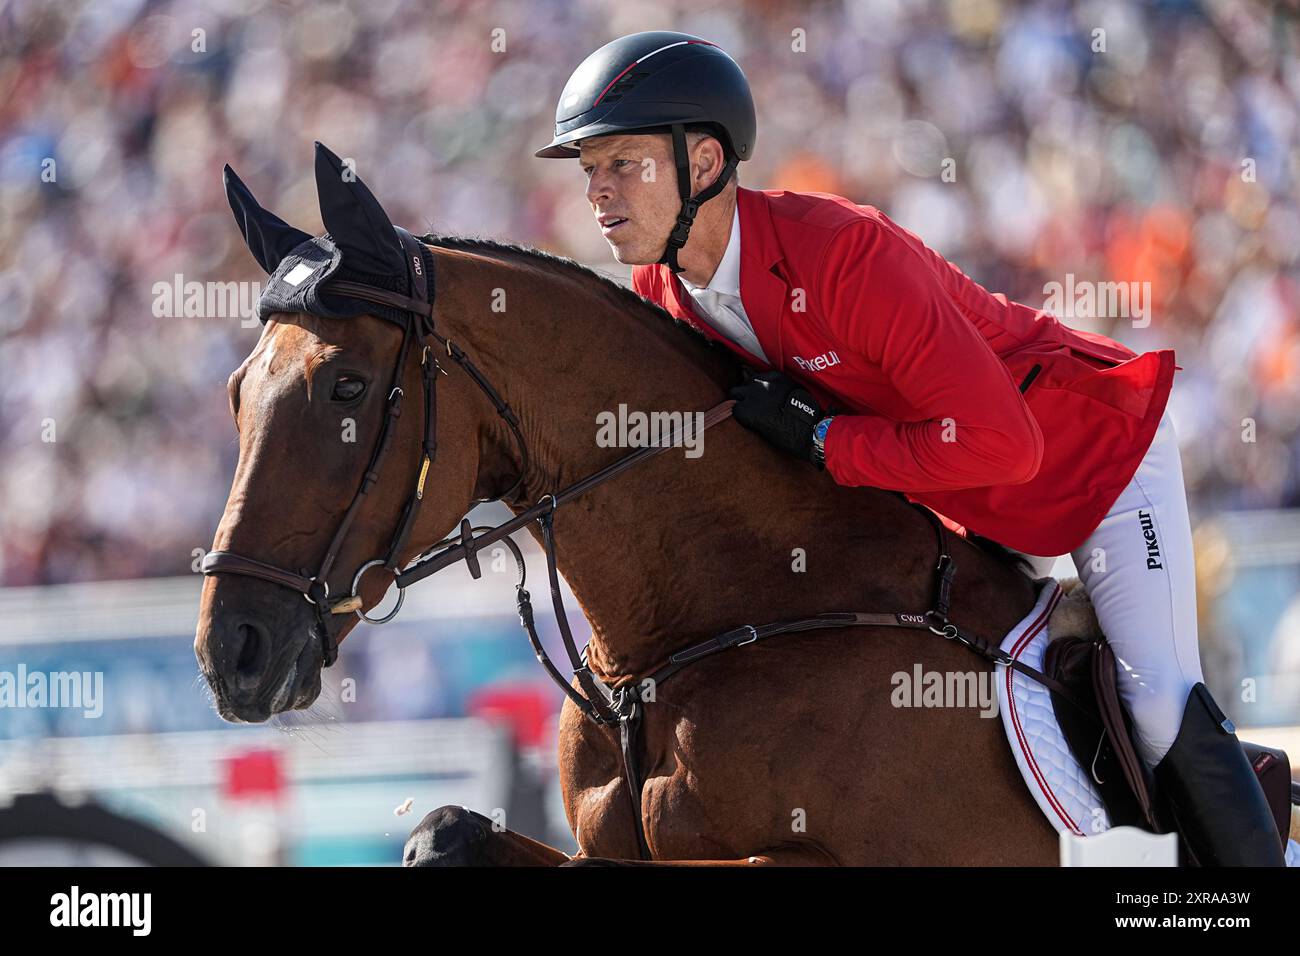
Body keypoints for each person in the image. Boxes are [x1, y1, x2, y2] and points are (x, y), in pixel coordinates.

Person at [535, 30, 1285, 866]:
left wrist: (825, 442)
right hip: (955, 503)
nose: (596, 193)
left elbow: (1002, 445)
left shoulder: (842, 253)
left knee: (1155, 703)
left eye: (620, 166)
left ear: (703, 163)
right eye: (588, 171)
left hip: (1090, 459)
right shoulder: (664, 292)